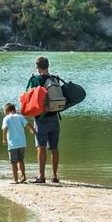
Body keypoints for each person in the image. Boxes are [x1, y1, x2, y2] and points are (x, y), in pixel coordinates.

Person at [25, 56, 64, 184]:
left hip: (41, 119)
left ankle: (41, 176)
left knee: (41, 147)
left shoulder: (36, 79)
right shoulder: (55, 78)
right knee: (54, 147)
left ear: (37, 67)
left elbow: (29, 95)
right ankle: (55, 176)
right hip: (54, 117)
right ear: (48, 66)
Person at [2, 101, 32, 183]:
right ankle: (23, 176)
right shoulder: (20, 116)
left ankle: (15, 179)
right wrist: (32, 130)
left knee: (13, 162)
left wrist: (4, 139)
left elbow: (5, 129)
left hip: (13, 144)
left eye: (5, 112)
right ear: (14, 110)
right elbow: (27, 124)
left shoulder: (6, 118)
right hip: (22, 143)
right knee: (21, 160)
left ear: (7, 111)